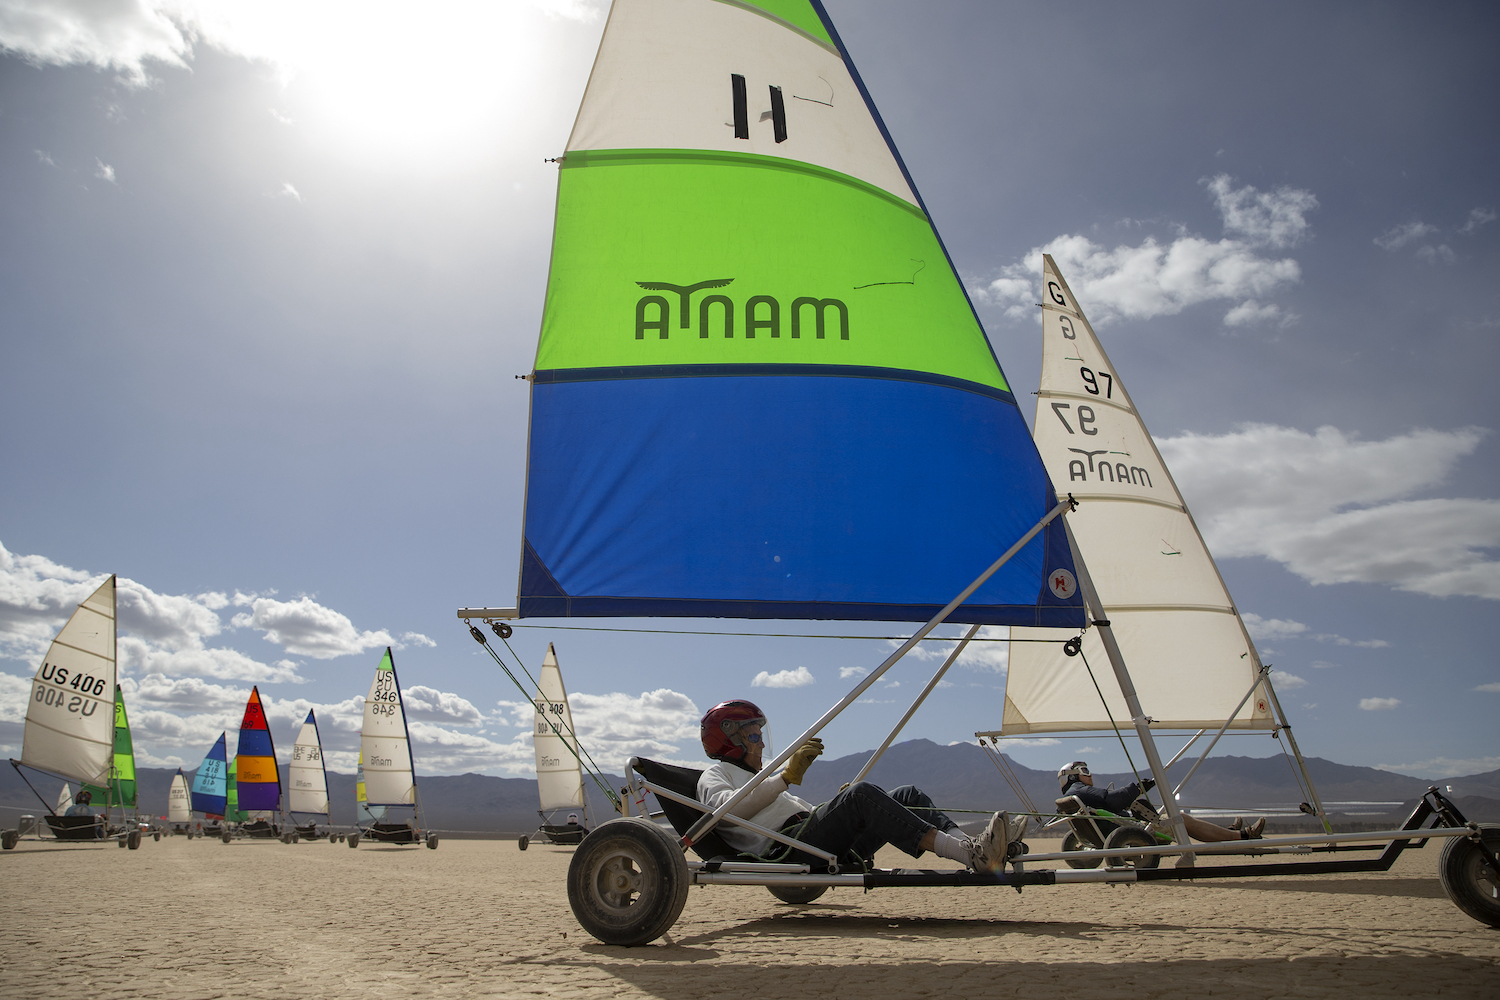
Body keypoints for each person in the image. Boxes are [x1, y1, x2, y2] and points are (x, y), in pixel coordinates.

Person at [695, 700, 1025, 873]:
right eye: (754, 735)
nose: (762, 743)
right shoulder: (715, 775)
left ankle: (974, 848)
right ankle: (970, 855)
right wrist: (784, 778)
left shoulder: (756, 778)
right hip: (788, 851)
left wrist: (835, 806)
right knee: (861, 794)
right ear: (728, 740)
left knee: (907, 794)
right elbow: (726, 812)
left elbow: (804, 815)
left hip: (813, 840)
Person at [1056, 760, 1265, 842]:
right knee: (1180, 819)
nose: (1090, 775)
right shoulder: (1081, 791)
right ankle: (1242, 836)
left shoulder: (1071, 797)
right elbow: (1112, 800)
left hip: (1118, 831)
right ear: (1072, 777)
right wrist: (1137, 788)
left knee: (1172, 817)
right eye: (1085, 771)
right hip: (1135, 833)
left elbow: (1108, 805)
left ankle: (1228, 833)